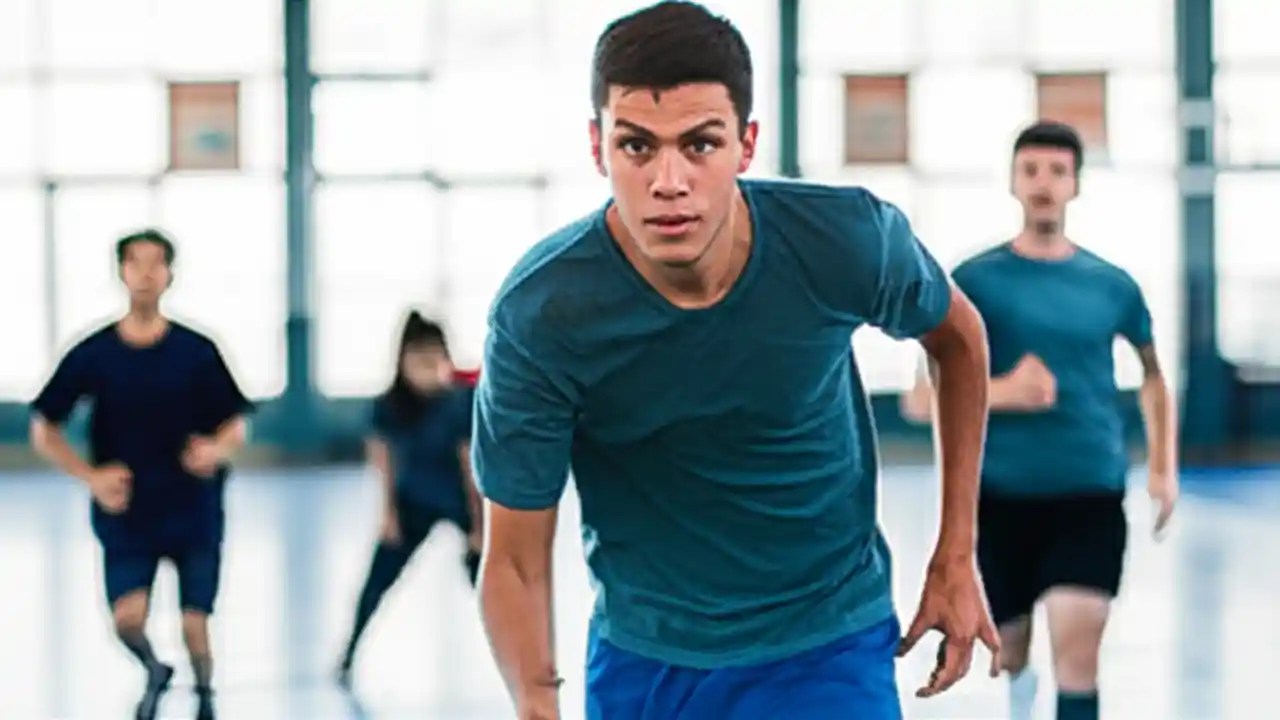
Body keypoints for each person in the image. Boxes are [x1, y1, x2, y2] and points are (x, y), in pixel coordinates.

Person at [470, 3, 1000, 719]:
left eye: (699, 145)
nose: (668, 180)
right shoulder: (543, 314)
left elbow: (958, 339)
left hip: (827, 643)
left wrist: (955, 556)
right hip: (648, 660)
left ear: (746, 146)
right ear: (597, 148)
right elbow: (513, 559)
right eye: (636, 146)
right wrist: (537, 706)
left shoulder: (844, 241)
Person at [901, 121, 1180, 720]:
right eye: (1031, 171)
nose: (1044, 184)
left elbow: (1155, 377)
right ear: (1013, 181)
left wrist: (1163, 467)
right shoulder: (974, 281)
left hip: (1089, 492)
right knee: (1014, 653)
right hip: (999, 499)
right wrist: (1007, 391)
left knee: (1079, 649)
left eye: (1057, 171)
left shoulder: (1113, 286)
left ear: (1075, 183)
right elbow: (921, 400)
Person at [29, 229, 252, 720]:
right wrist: (90, 476)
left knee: (196, 624)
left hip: (192, 502)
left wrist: (215, 448)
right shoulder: (94, 354)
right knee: (127, 618)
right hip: (128, 506)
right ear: (121, 272)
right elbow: (44, 427)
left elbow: (235, 421)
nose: (146, 273)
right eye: (136, 263)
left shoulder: (197, 351)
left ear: (170, 273)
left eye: (156, 263)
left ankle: (205, 696)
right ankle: (154, 668)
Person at [336, 311, 483, 688]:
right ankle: (348, 654)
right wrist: (386, 514)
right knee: (377, 581)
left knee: (490, 583)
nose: (426, 367)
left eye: (434, 357)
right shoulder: (389, 405)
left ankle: (520, 660)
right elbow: (382, 458)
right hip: (412, 501)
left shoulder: (459, 402)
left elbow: (471, 465)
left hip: (458, 502)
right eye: (417, 359)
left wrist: (480, 526)